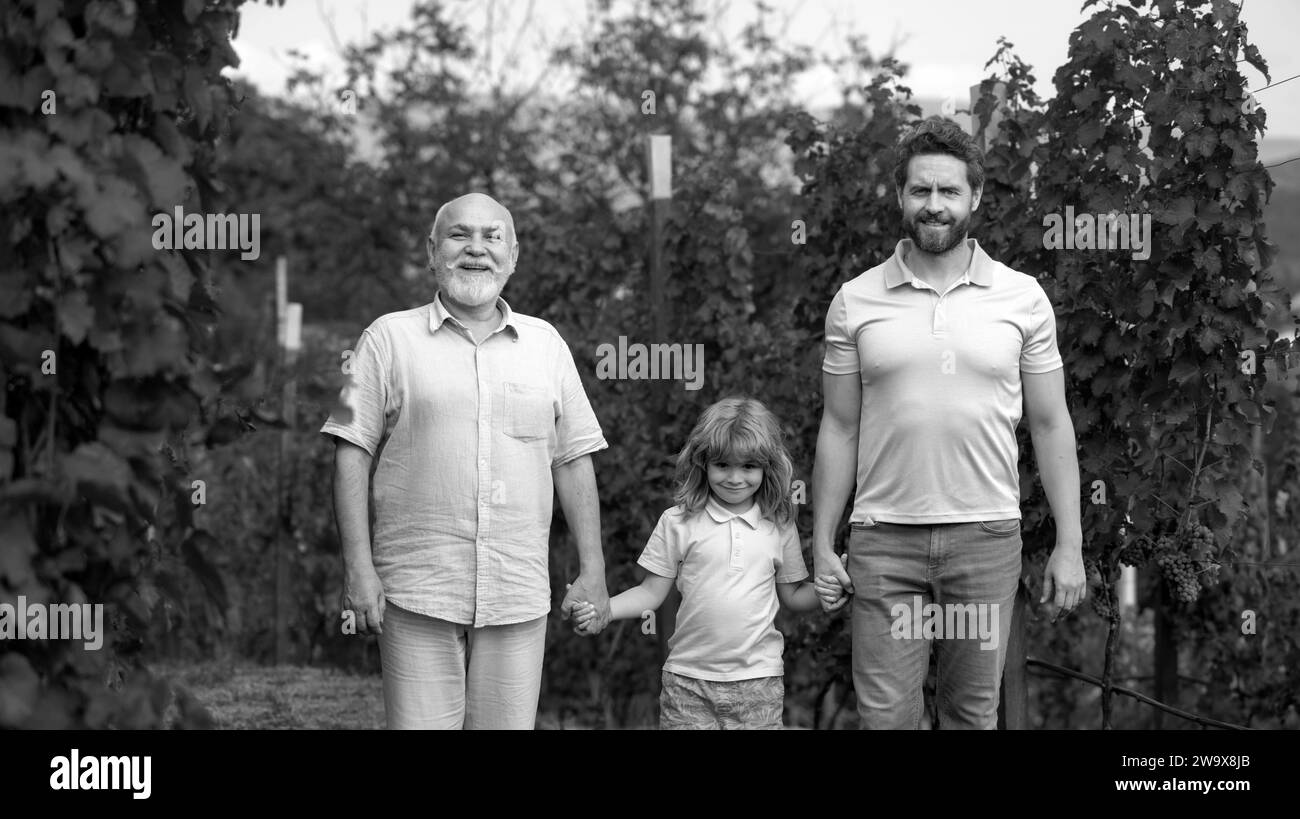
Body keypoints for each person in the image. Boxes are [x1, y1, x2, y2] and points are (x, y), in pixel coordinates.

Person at [810, 117, 1086, 729]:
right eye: (920, 191)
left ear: (975, 199)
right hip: (883, 541)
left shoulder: (1022, 299)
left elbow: (1050, 424)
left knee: (972, 716)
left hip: (985, 541)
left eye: (949, 192)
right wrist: (823, 541)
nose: (934, 206)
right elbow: (839, 426)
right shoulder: (856, 300)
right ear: (900, 196)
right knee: (885, 720)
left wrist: (1071, 543)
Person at [321, 192, 612, 729]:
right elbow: (349, 449)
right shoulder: (384, 338)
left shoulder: (547, 345)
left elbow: (573, 459)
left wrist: (593, 569)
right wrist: (358, 568)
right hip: (416, 589)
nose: (476, 250)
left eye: (492, 237)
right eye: (459, 236)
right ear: (432, 251)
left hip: (518, 593)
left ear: (514, 255)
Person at [571, 397, 842, 729]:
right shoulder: (679, 521)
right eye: (723, 465)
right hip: (688, 682)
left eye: (748, 467)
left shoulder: (778, 525)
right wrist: (605, 609)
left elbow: (794, 595)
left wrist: (828, 592)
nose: (734, 478)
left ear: (766, 468)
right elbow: (650, 593)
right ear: (703, 463)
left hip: (759, 682)